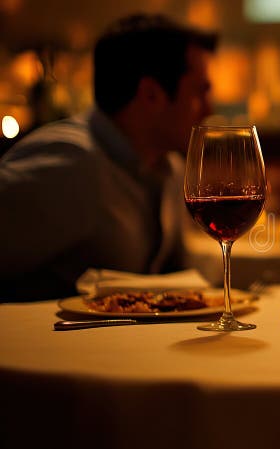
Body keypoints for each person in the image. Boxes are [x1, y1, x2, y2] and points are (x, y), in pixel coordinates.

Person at [0, 14, 217, 300]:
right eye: (200, 93)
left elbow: (176, 279)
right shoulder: (69, 165)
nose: (209, 109)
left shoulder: (169, 169)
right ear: (151, 95)